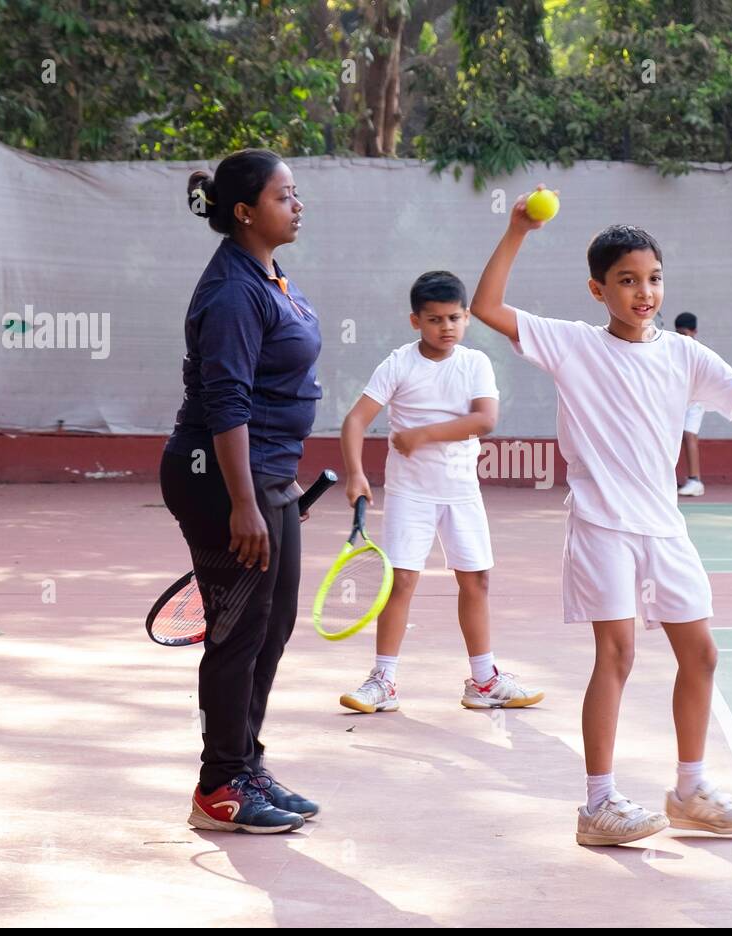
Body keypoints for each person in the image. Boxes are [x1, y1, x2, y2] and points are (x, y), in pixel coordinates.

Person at [470, 187, 732, 846]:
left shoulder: (683, 355)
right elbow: (485, 307)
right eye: (627, 281)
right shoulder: (572, 345)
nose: (644, 292)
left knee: (702, 654)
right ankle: (597, 806)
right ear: (597, 289)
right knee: (618, 653)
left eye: (654, 278)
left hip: (664, 527)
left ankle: (689, 791)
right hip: (603, 525)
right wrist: (517, 229)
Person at [161, 149, 323, 834]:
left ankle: (247, 763)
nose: (297, 204)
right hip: (222, 476)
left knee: (274, 624)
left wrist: (270, 493)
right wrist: (245, 504)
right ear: (245, 212)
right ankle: (219, 782)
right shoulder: (231, 290)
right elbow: (226, 402)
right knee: (237, 631)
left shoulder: (271, 274)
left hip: (269, 476)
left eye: (296, 193)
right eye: (285, 196)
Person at [338, 270, 543, 713]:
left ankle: (484, 681)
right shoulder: (398, 363)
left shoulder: (475, 364)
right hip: (410, 493)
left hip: (461, 492)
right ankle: (383, 680)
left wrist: (423, 434)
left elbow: (485, 420)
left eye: (454, 318)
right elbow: (355, 420)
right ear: (416, 321)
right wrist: (355, 474)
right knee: (402, 582)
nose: (446, 327)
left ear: (467, 317)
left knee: (477, 580)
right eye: (434, 320)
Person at [673, 312, 706, 496]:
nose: (681, 337)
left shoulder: (697, 351)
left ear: (694, 332)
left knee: (689, 435)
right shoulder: (674, 349)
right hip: (679, 400)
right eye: (678, 333)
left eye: (684, 334)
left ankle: (695, 481)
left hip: (696, 399)